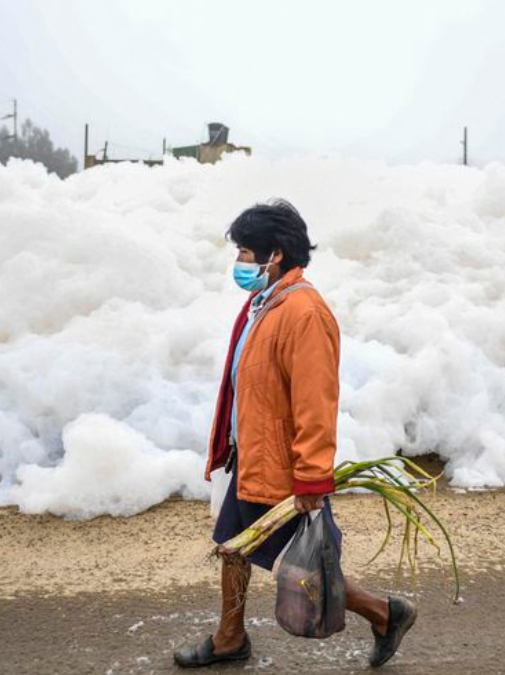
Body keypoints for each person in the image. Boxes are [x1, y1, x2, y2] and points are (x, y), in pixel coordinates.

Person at [174, 200, 417, 669]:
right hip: (251, 452)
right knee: (233, 547)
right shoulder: (264, 303)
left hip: (282, 465)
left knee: (304, 567)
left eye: (246, 252)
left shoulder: (305, 313)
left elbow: (315, 402)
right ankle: (230, 636)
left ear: (276, 254)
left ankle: (386, 614)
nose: (240, 263)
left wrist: (310, 478)